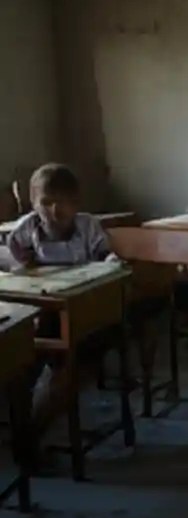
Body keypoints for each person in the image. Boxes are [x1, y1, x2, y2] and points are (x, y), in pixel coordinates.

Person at [5, 163, 120, 447]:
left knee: (70, 367)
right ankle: (24, 423)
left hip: (89, 308)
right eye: (46, 202)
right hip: (49, 306)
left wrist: (111, 262)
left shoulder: (87, 225)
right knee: (24, 359)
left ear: (76, 203)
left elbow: (105, 254)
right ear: (34, 203)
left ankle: (31, 433)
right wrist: (25, 261)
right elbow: (13, 244)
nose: (55, 210)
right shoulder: (29, 226)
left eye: (63, 202)